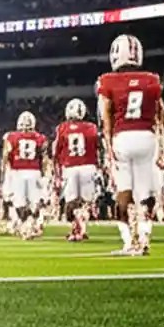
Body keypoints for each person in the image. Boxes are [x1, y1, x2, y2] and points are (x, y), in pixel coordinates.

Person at [97, 34, 164, 255]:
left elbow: (106, 117)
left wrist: (108, 144)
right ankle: (145, 236)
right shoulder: (151, 79)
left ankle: (128, 241)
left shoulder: (107, 80)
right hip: (147, 138)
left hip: (123, 137)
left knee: (124, 192)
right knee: (144, 192)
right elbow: (162, 115)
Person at [54, 99, 100, 242]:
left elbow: (56, 151)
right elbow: (97, 147)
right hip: (88, 166)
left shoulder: (62, 128)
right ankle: (82, 229)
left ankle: (75, 229)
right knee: (85, 202)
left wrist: (57, 170)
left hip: (70, 167)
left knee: (72, 201)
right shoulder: (92, 127)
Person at [2, 111, 47, 241]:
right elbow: (44, 158)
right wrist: (45, 174)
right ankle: (32, 224)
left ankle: (27, 225)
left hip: (18, 172)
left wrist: (6, 171)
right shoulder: (40, 138)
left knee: (19, 203)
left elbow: (5, 156)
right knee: (35, 203)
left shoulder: (11, 137)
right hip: (34, 172)